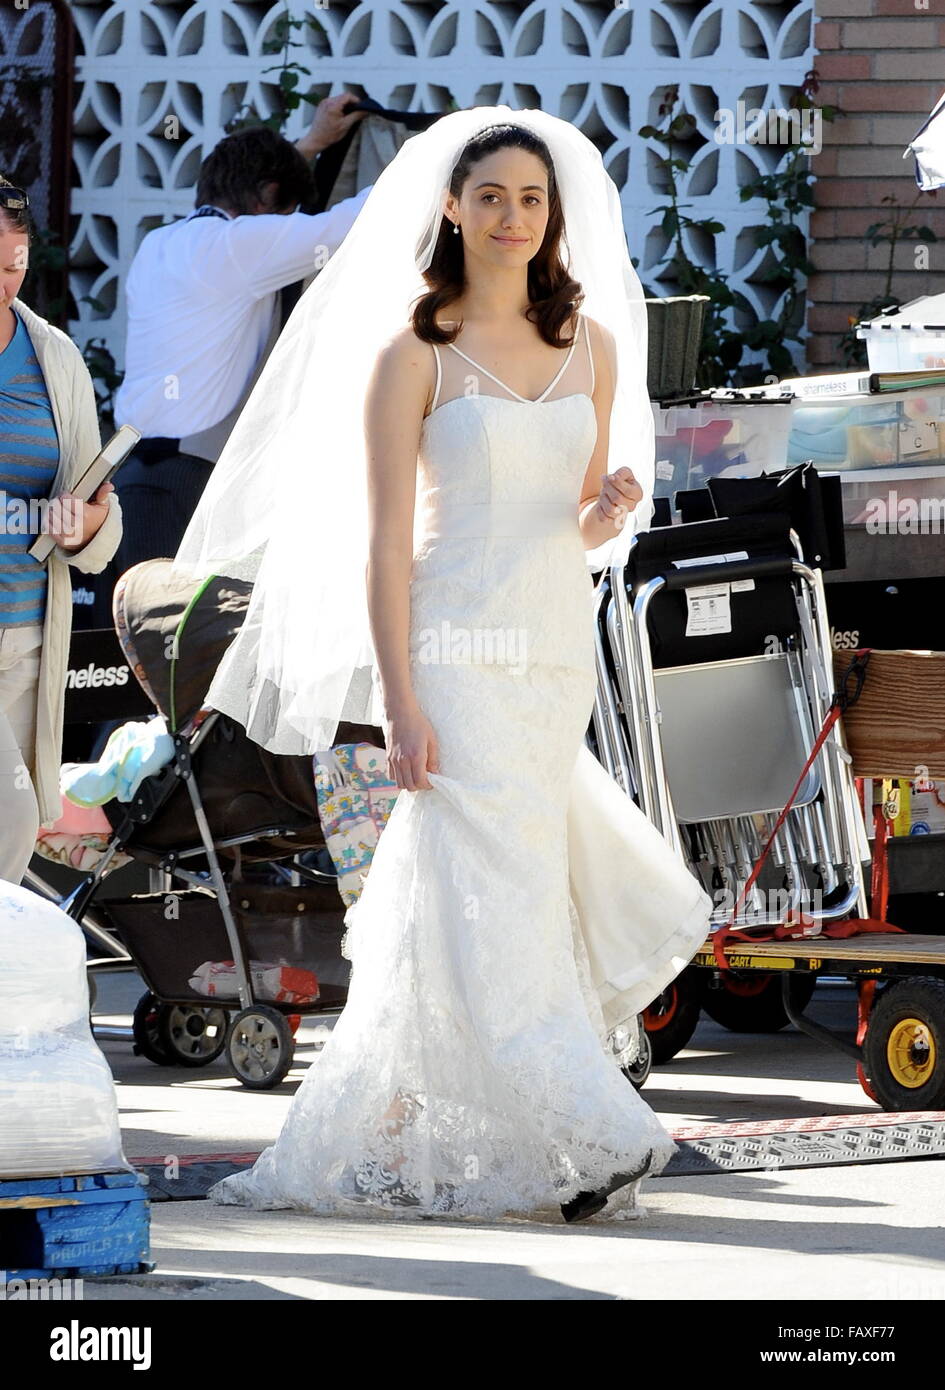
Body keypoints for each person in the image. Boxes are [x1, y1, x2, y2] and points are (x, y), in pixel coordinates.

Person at [175, 106, 714, 1224]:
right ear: (453, 213)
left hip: (550, 652)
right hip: (453, 650)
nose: (513, 217)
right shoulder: (409, 353)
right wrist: (402, 700)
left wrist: (606, 506)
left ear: (551, 216)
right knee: (496, 891)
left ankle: (459, 1118)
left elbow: (567, 520)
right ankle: (587, 1123)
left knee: (493, 894)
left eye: (531, 199)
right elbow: (383, 540)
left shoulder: (594, 347)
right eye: (491, 198)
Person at [92, 95, 374, 627]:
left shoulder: (161, 244)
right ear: (268, 198)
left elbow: (256, 204)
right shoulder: (234, 249)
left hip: (132, 481)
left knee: (143, 667)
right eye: (284, 214)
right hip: (185, 487)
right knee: (181, 672)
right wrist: (429, 158)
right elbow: (342, 226)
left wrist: (311, 143)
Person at [0, 177, 122, 883]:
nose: (5, 280)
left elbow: (100, 520)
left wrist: (86, 522)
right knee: (12, 822)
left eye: (14, 263)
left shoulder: (55, 356)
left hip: (26, 648)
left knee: (8, 853)